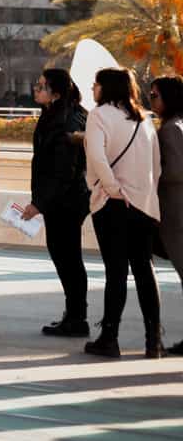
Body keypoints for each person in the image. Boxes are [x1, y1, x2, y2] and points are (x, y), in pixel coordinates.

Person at [83, 66, 163, 358]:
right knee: (144, 269)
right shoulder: (144, 120)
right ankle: (153, 340)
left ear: (107, 88)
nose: (93, 89)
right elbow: (156, 165)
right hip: (143, 206)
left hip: (112, 203)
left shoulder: (99, 115)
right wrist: (144, 197)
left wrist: (113, 189)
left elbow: (96, 156)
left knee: (116, 272)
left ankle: (110, 337)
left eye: (96, 84)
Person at [21, 67, 91, 338]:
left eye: (41, 87)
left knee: (68, 257)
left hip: (67, 201)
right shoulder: (57, 114)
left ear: (57, 92)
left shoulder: (67, 119)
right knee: (65, 256)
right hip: (63, 199)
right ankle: (74, 315)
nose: (36, 90)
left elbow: (65, 170)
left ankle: (76, 317)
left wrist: (40, 203)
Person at [148, 76, 183, 356]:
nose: (151, 100)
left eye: (155, 95)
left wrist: (152, 170)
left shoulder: (170, 130)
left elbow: (175, 171)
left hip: (177, 213)